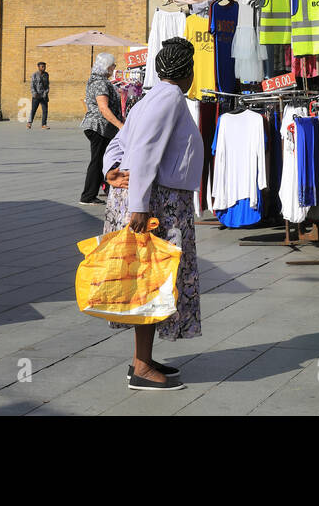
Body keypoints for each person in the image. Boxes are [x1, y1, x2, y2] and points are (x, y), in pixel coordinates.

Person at [102, 36, 204, 390]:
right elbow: (144, 150)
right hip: (158, 204)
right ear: (186, 71)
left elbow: (120, 142)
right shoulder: (171, 99)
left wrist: (110, 169)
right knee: (150, 280)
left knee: (148, 279)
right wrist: (140, 207)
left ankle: (140, 360)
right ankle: (142, 368)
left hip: (151, 199)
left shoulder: (150, 98)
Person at [80, 53, 124, 205]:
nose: (114, 67)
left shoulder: (100, 80)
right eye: (113, 65)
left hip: (101, 127)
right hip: (98, 126)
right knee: (97, 161)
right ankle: (88, 195)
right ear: (106, 66)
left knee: (101, 159)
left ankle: (99, 189)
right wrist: (120, 125)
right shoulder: (100, 83)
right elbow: (103, 108)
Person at [28, 62, 50, 129]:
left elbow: (47, 85)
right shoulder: (34, 75)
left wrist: (46, 93)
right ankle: (29, 123)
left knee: (45, 110)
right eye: (42, 66)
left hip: (43, 95)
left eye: (44, 66)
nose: (44, 68)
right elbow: (32, 85)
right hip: (36, 96)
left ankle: (44, 124)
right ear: (39, 67)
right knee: (34, 110)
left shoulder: (46, 75)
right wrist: (34, 93)